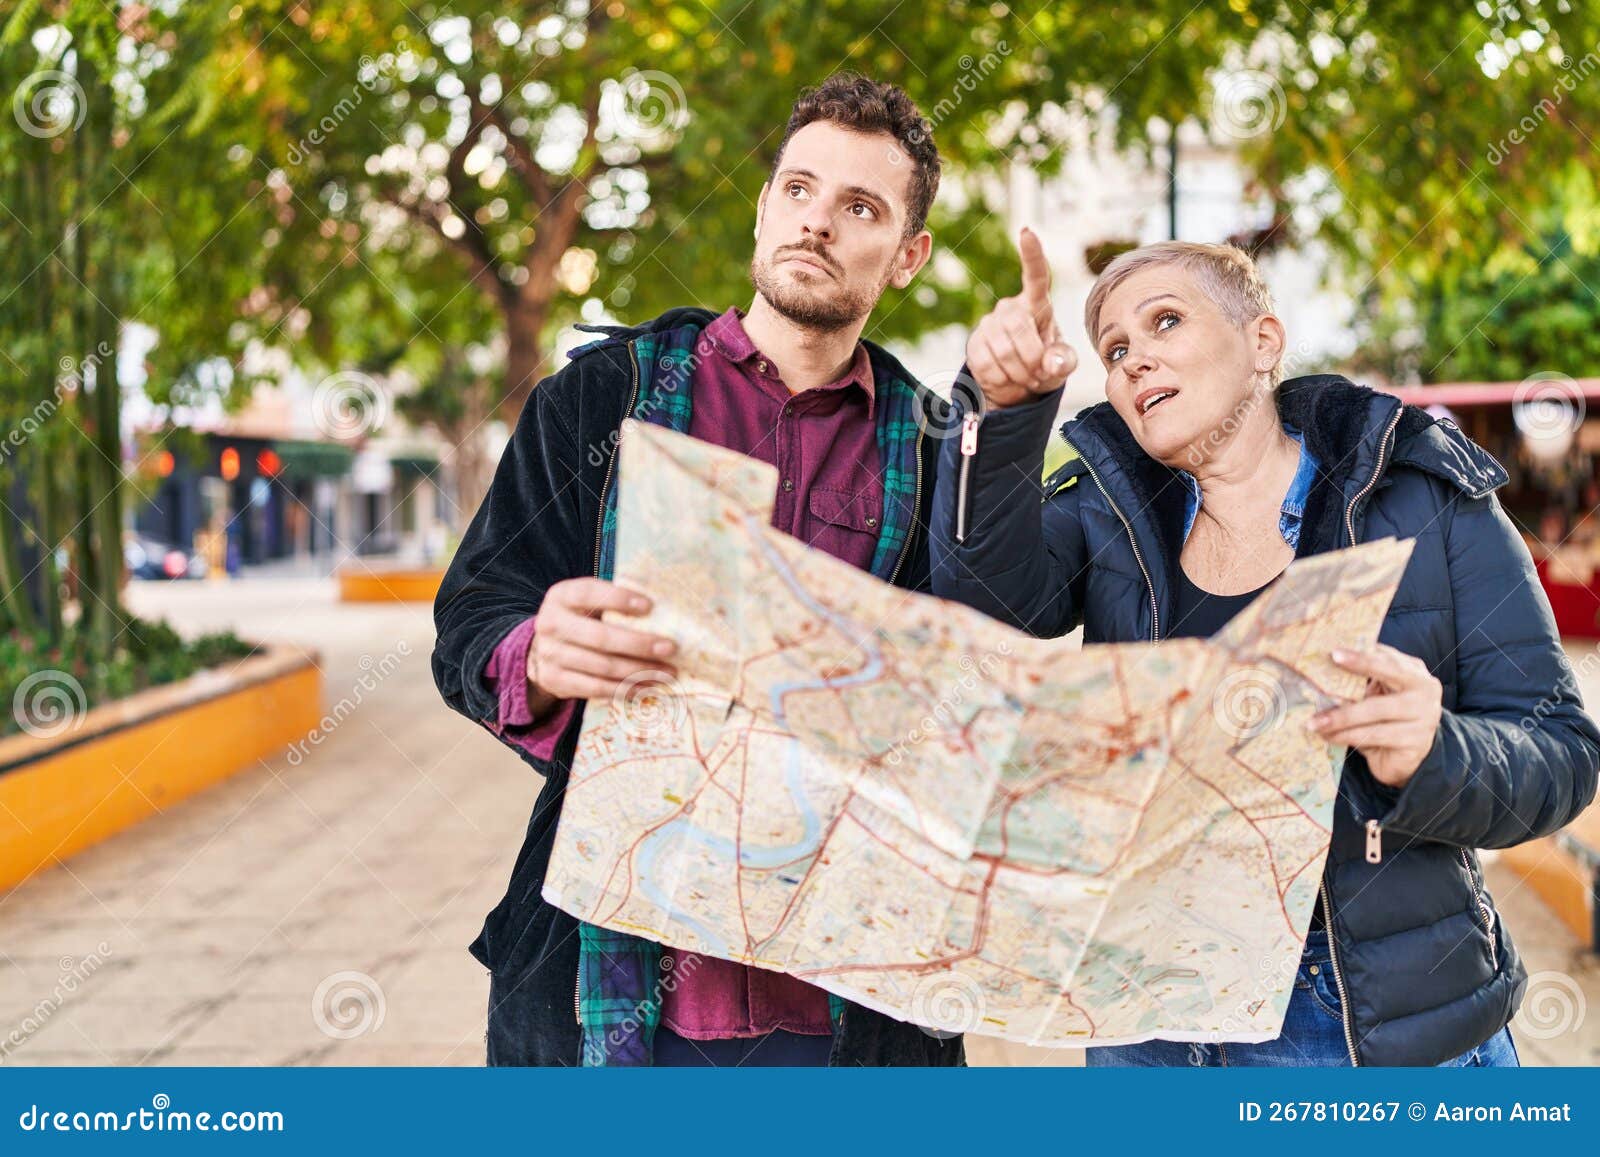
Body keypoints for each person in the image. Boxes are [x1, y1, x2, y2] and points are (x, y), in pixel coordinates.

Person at [929, 236, 1600, 1066]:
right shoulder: (1102, 514)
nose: (1135, 361)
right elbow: (980, 603)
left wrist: (1435, 753)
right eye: (1114, 349)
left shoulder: (1426, 498)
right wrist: (1003, 413)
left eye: (1165, 321)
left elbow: (1563, 754)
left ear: (1263, 342)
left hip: (1372, 1026)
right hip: (1153, 1024)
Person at [433, 72, 962, 1066]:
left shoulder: (935, 446)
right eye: (798, 189)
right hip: (617, 977)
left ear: (906, 255)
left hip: (849, 993)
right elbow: (474, 612)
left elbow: (974, 678)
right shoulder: (603, 398)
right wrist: (538, 651)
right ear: (762, 209)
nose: (818, 223)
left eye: (861, 207)